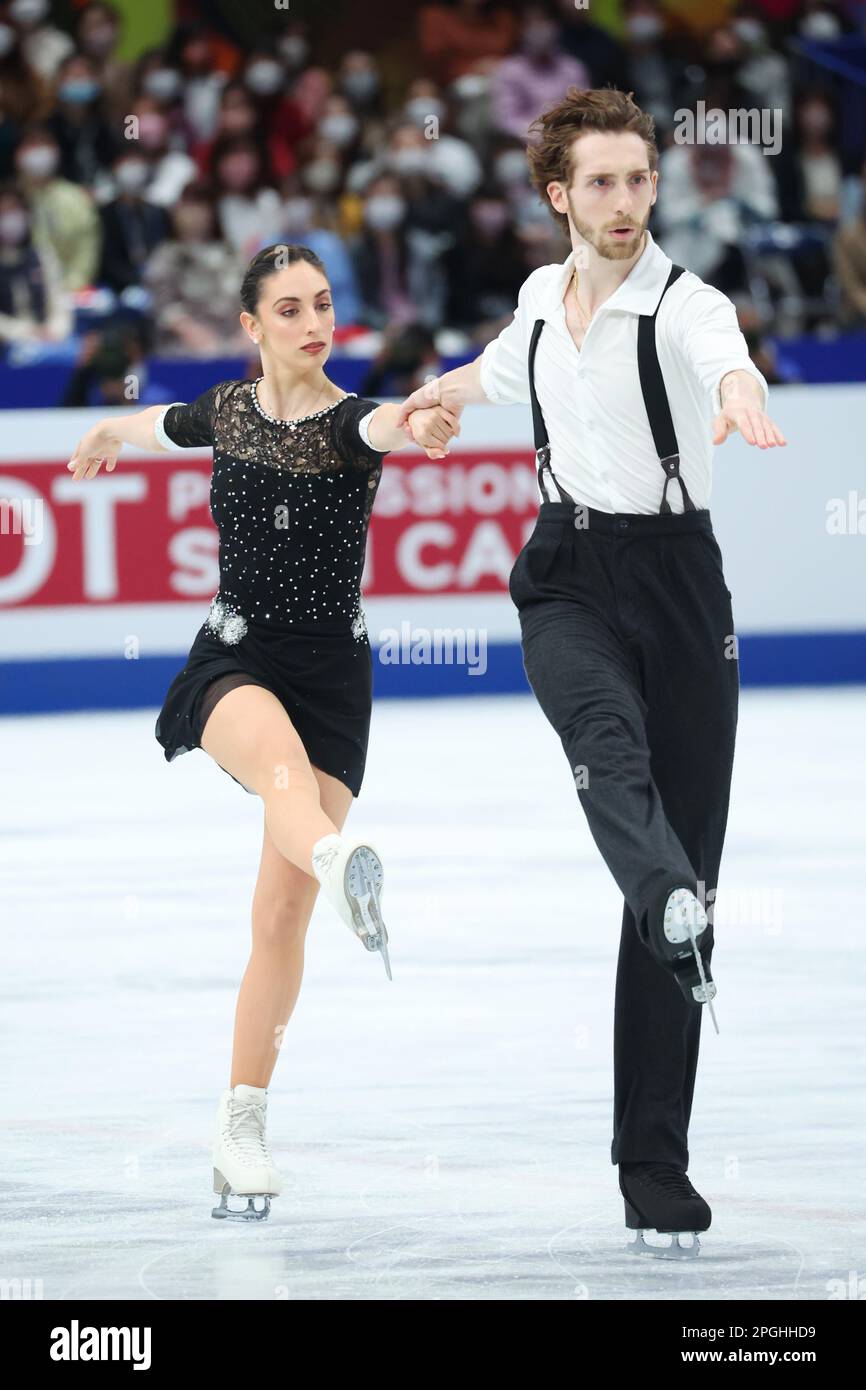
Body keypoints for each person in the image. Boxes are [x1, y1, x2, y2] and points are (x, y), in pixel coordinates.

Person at [397, 87, 786, 1259]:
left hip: (677, 586)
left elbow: (727, 361)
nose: (625, 203)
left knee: (679, 887)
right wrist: (434, 399)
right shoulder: (536, 298)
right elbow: (502, 369)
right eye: (601, 184)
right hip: (564, 571)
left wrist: (738, 392)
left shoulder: (685, 304)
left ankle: (650, 1163)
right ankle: (664, 888)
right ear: (558, 195)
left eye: (638, 179)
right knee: (604, 752)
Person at [65, 242, 460, 1221]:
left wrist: (426, 420)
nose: (312, 322)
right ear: (250, 325)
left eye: (321, 304)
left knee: (278, 921)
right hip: (236, 657)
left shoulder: (349, 422)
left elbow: (394, 424)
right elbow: (161, 422)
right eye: (288, 309)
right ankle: (340, 857)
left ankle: (238, 1127)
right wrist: (111, 430)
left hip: (333, 674)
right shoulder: (228, 410)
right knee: (281, 777)